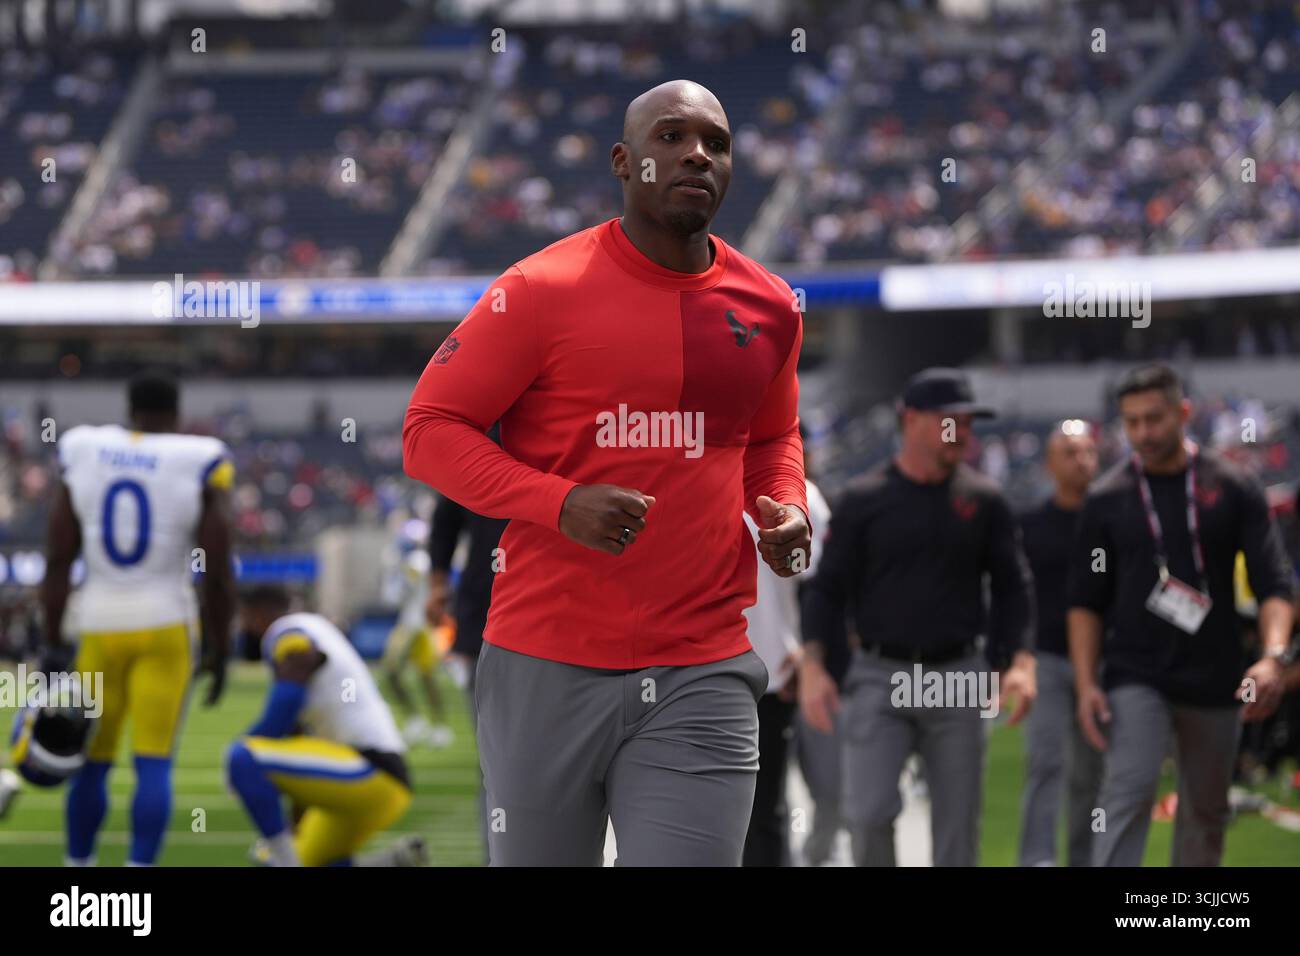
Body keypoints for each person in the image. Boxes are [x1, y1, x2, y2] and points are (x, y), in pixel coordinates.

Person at [403, 79, 811, 866]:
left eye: (716, 143)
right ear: (625, 162)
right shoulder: (536, 291)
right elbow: (428, 432)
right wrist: (557, 503)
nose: (697, 153)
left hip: (704, 664)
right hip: (543, 664)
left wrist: (785, 505)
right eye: (671, 137)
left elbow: (772, 435)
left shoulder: (770, 308)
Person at [799, 367, 1036, 867]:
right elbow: (826, 591)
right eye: (951, 421)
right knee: (866, 814)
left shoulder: (984, 500)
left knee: (958, 827)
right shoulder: (863, 501)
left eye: (968, 423)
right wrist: (816, 666)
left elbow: (1014, 587)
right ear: (911, 421)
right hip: (879, 674)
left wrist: (1019, 661)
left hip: (958, 675)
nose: (964, 432)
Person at [1069, 364, 1296, 867]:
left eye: (1155, 419)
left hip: (1215, 676)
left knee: (1206, 812)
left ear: (1184, 413)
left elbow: (1274, 584)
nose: (1143, 434)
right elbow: (1085, 600)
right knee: (1129, 788)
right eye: (1132, 422)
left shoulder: (1234, 487)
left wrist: (1273, 657)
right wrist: (1087, 684)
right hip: (1134, 673)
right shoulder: (1107, 499)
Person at [43, 371, 235, 866]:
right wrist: (220, 646)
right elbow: (216, 571)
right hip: (166, 623)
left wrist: (49, 644)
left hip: (99, 623)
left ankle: (77, 867)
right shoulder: (197, 458)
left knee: (91, 763)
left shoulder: (85, 447)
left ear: (129, 409)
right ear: (176, 414)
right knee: (153, 763)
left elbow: (59, 557)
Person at [226, 586, 422, 867]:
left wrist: (247, 751)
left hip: (369, 769)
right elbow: (298, 741)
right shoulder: (315, 628)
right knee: (301, 860)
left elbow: (289, 695)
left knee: (242, 757)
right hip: (380, 783)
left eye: (245, 617)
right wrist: (296, 828)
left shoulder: (286, 631)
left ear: (258, 614)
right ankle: (387, 863)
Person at [742, 424, 831, 866]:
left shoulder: (807, 499)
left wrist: (809, 654)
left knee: (768, 807)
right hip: (705, 667)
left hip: (778, 672)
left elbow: (822, 592)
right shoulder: (703, 479)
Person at [1017, 420, 1104, 867]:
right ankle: (1037, 860)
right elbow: (1015, 595)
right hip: (1047, 657)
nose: (1081, 460)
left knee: (1092, 773)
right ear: (1051, 463)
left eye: (1088, 451)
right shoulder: (1031, 525)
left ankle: (1085, 860)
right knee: (1046, 761)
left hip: (1104, 664)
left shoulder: (1112, 520)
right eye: (1070, 452)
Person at [380, 518, 453, 748]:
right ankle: (432, 724)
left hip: (415, 625)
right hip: (418, 624)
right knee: (423, 677)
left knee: (398, 673)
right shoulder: (419, 561)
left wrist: (393, 570)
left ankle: (427, 723)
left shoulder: (416, 561)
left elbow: (396, 595)